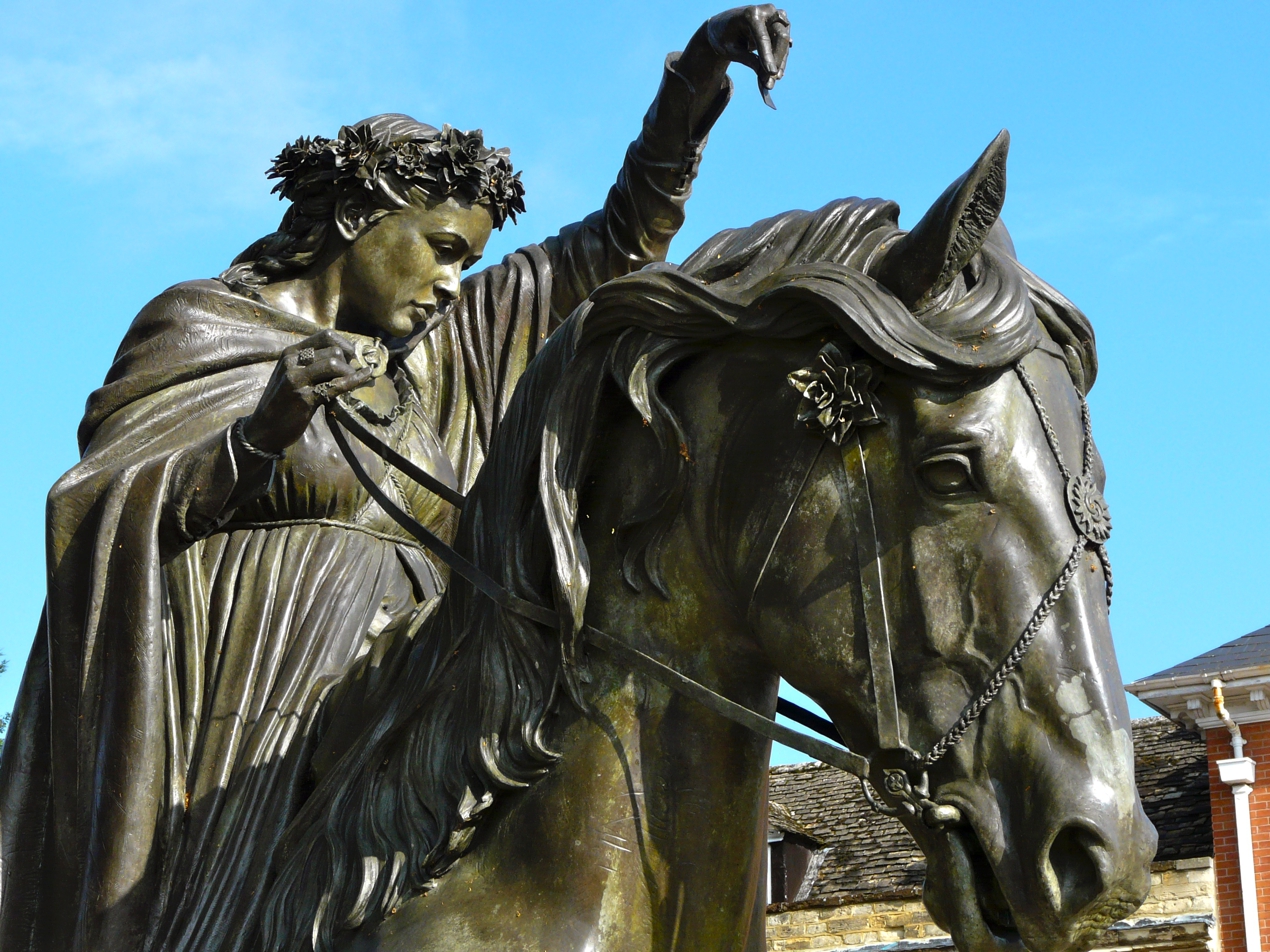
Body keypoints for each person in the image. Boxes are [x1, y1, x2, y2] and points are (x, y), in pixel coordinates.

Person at [0, 8, 791, 952]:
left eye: (475, 260)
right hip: (240, 722)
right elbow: (98, 507)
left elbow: (612, 248)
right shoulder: (202, 327)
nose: (458, 282)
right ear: (354, 220)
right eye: (444, 248)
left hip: (407, 702)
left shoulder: (442, 357)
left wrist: (696, 79)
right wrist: (262, 433)